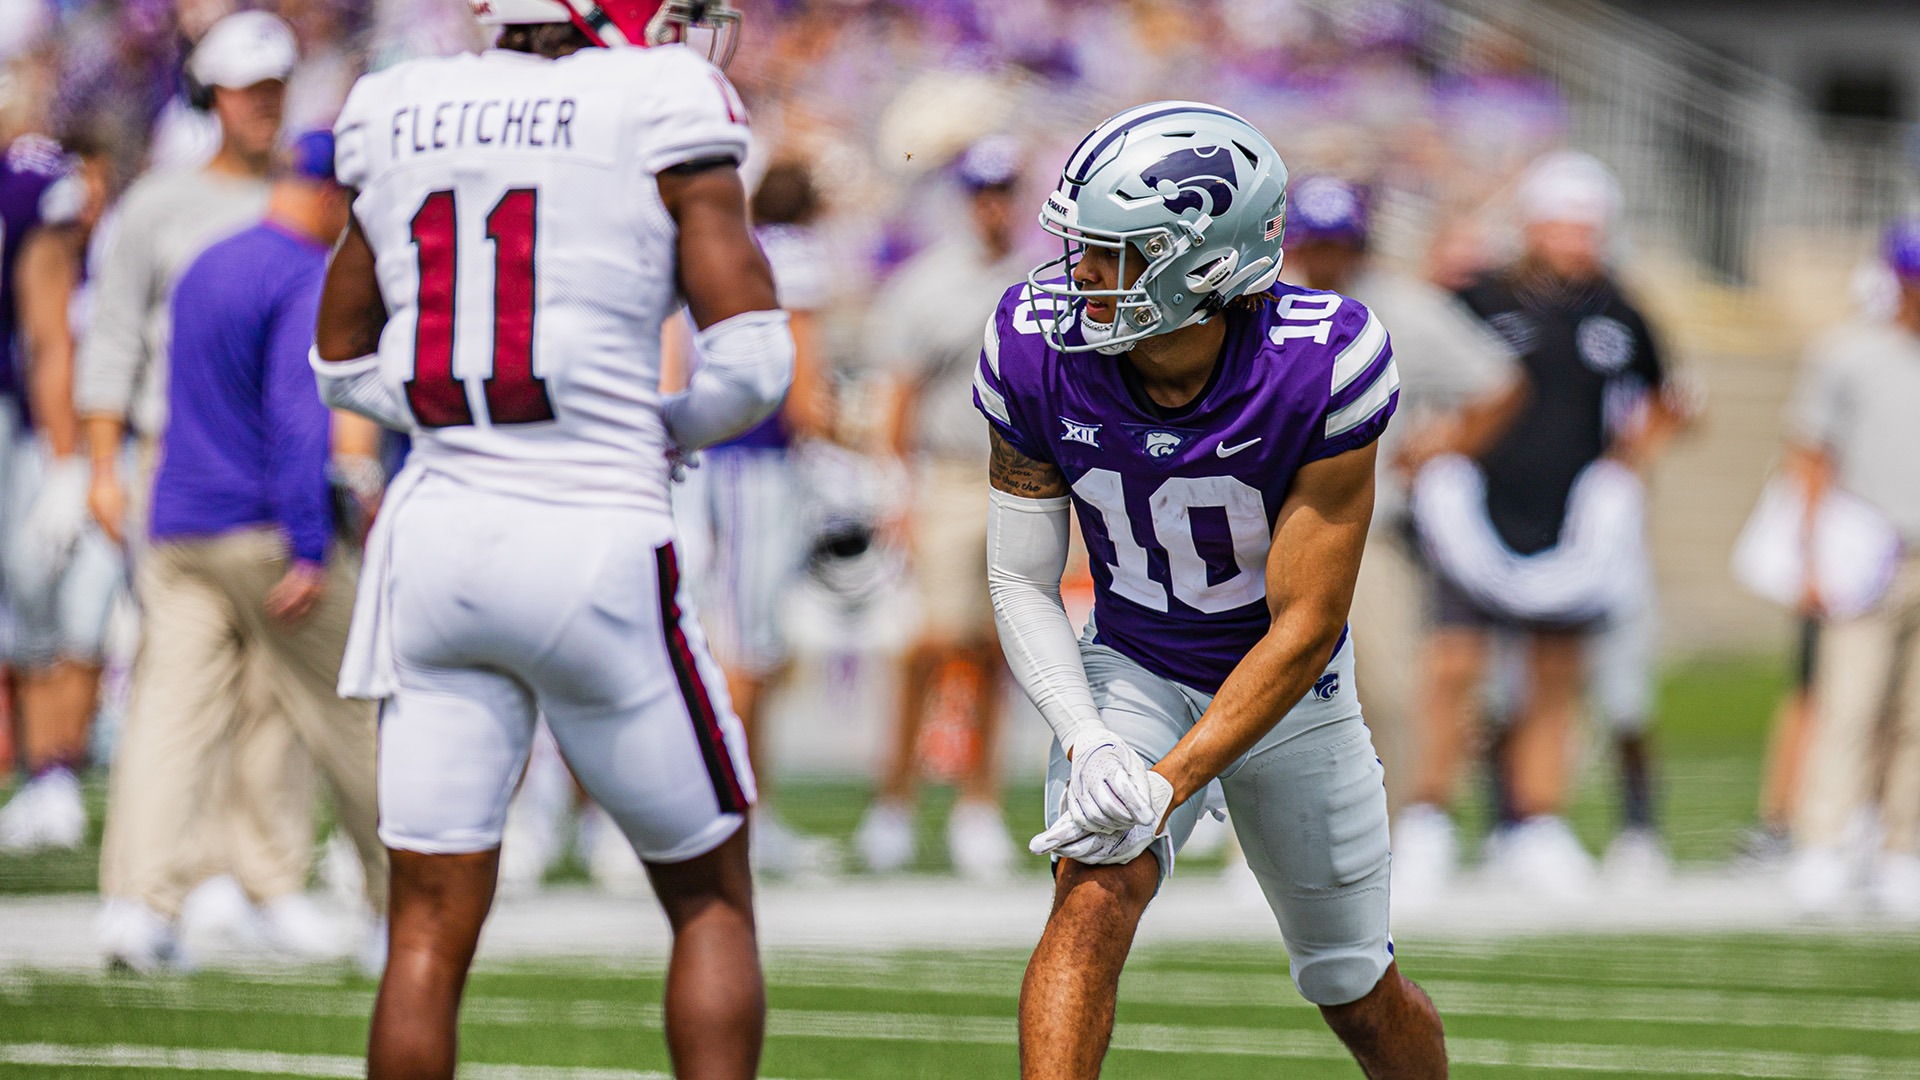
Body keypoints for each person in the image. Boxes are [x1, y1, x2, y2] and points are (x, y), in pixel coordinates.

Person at [313, 2, 786, 1076]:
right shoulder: (656, 98)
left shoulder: (399, 102)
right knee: (710, 896)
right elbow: (755, 365)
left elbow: (340, 364)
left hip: (436, 548)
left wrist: (460, 418)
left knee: (423, 931)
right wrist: (655, 426)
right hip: (591, 536)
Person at [978, 102, 1445, 1078]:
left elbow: (1307, 624)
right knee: (1092, 889)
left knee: (1354, 986)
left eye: (1116, 252)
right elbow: (1019, 575)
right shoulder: (1033, 345)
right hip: (1134, 662)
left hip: (1289, 693)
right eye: (1081, 246)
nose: (1080, 274)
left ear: (1205, 265)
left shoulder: (1320, 363)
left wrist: (1168, 782)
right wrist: (1090, 739)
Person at [95, 131, 389, 969]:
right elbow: (299, 421)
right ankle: (405, 907)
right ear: (333, 196)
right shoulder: (306, 272)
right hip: (263, 530)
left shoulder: (207, 263)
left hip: (179, 525)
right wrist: (310, 546)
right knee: (357, 718)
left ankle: (137, 907)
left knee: (168, 722)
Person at [77, 12, 319, 969]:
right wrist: (101, 466)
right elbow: (113, 336)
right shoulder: (160, 204)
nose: (265, 105)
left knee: (277, 692)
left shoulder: (305, 200)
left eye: (276, 88)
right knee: (177, 685)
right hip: (178, 460)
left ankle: (260, 880)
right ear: (210, 95)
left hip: (281, 466)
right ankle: (154, 886)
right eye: (248, 89)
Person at [1401, 151, 1677, 900]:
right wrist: (1432, 446)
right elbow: (1415, 363)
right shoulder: (1480, 296)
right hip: (1475, 504)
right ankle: (1427, 816)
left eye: (1588, 226)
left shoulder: (1619, 308)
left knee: (1555, 672)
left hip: (1569, 514)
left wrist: (1626, 465)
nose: (1576, 239)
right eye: (1563, 223)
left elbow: (1666, 396)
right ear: (1533, 224)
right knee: (1454, 665)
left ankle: (1536, 822)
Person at [1282, 175, 1521, 822]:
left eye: (1339, 243)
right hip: (1265, 529)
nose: (1327, 257)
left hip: (1366, 532)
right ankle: (1260, 846)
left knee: (1387, 688)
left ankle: (1389, 832)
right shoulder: (1258, 305)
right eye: (1316, 243)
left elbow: (1498, 383)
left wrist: (1443, 446)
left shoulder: (1405, 309)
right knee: (1268, 689)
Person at [853, 137, 1027, 880]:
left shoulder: (1040, 281)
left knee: (996, 649)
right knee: (928, 644)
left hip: (1023, 478)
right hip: (948, 474)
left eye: (1004, 191)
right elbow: (898, 393)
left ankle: (977, 805)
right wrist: (893, 488)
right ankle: (895, 800)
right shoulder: (927, 284)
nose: (994, 206)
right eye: (984, 192)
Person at [666, 158, 837, 878]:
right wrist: (845, 441)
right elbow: (804, 391)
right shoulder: (793, 255)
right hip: (755, 464)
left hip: (701, 457)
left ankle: (713, 811)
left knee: (706, 638)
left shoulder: (719, 244)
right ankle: (732, 815)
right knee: (746, 649)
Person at [1782, 218, 1920, 917]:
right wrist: (1811, 553)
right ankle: (1824, 842)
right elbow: (1812, 454)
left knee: (1916, 717)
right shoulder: (1849, 353)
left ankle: (1902, 848)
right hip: (1869, 553)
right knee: (1848, 705)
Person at [0, 133, 112, 853]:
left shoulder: (46, 189)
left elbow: (56, 339)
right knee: (37, 600)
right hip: (43, 436)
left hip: (84, 438)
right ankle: (46, 775)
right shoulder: (31, 192)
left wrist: (75, 462)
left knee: (84, 605)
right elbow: (47, 339)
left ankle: (60, 770)